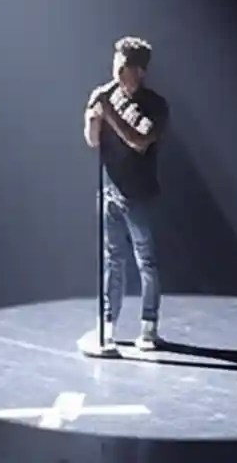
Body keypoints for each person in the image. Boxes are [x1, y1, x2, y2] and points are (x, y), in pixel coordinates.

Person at [83, 36, 169, 351]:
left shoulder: (155, 105)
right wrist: (94, 120)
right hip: (108, 192)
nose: (117, 71)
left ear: (139, 71)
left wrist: (110, 115)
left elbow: (140, 141)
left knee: (145, 261)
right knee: (112, 260)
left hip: (139, 194)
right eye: (116, 63)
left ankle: (149, 327)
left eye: (123, 66)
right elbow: (92, 141)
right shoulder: (103, 95)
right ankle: (107, 327)